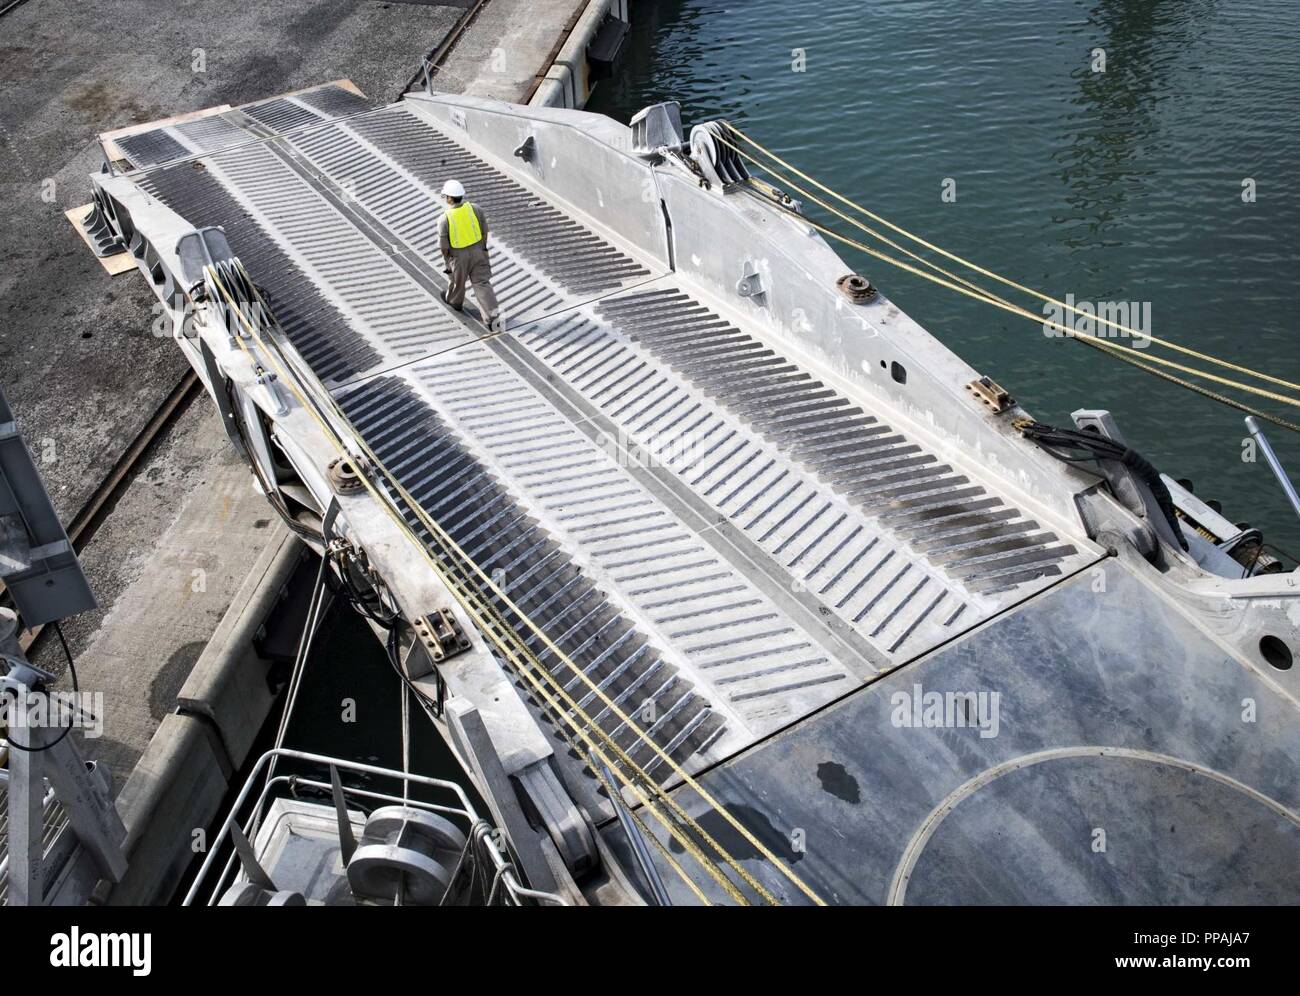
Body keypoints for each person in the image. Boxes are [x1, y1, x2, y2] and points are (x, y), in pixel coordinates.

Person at [437, 179, 501, 331]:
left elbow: (443, 245)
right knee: (482, 284)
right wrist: (483, 249)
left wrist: (448, 261)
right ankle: (493, 319)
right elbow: (484, 231)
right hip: (478, 250)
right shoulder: (475, 209)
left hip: (459, 257)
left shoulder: (444, 218)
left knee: (457, 282)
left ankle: (455, 302)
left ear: (450, 198)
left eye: (445, 196)